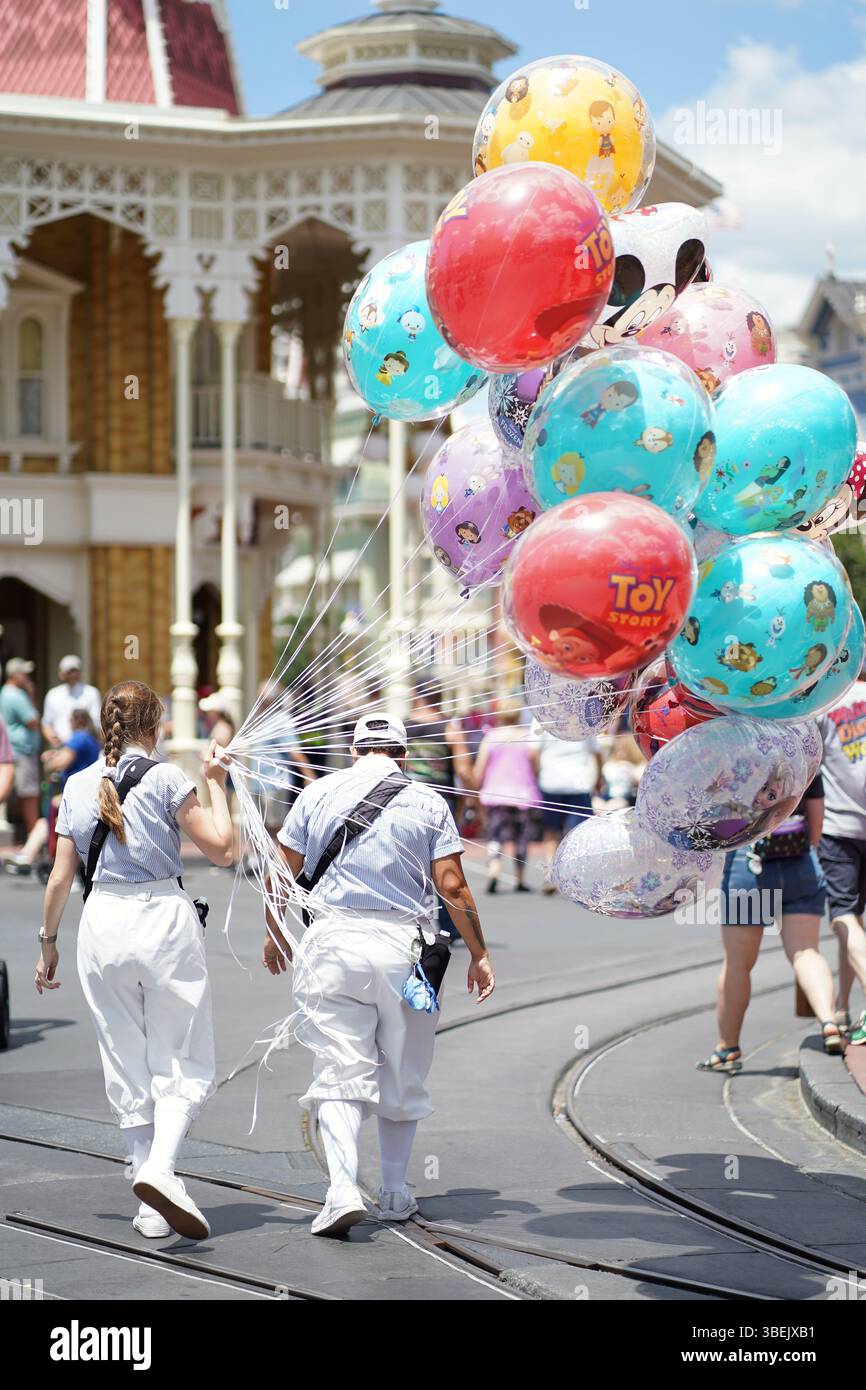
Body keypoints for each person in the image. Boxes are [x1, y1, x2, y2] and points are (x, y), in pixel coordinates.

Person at [262, 711, 495, 1238]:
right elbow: (453, 885)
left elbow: (281, 872)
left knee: (339, 1070)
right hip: (403, 950)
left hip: (331, 945)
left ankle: (341, 1188)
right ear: (402, 754)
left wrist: (274, 933)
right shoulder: (428, 800)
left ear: (353, 750)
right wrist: (478, 953)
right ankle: (393, 1190)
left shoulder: (316, 794)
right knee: (403, 1071)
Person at [35, 680, 234, 1241]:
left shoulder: (76, 786)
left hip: (101, 924)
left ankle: (149, 1203)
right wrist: (217, 784)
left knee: (124, 1056)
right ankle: (161, 1172)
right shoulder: (170, 778)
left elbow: (59, 876)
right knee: (183, 1053)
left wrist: (47, 942)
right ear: (156, 725)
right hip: (161, 920)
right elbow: (223, 848)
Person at [697, 772, 842, 1072]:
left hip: (748, 864)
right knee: (805, 951)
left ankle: (727, 1047)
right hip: (798, 857)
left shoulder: (731, 755)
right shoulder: (801, 751)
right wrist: (805, 850)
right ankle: (829, 1020)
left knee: (738, 963)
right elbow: (816, 817)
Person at [815, 677, 866, 1043]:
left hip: (839, 826)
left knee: (845, 917)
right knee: (854, 924)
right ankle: (843, 1006)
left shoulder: (822, 705)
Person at [474, 699, 542, 893]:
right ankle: (519, 878)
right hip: (523, 793)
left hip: (496, 794)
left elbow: (480, 766)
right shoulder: (526, 736)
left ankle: (494, 870)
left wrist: (476, 786)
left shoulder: (491, 737)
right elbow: (536, 764)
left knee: (496, 835)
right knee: (522, 836)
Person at [535, 726, 599, 895]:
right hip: (578, 781)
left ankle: (551, 874)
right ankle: (573, 875)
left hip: (551, 781)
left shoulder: (543, 716)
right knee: (577, 833)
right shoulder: (584, 719)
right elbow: (597, 751)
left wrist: (538, 774)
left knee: (551, 831)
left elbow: (532, 751)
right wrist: (599, 777)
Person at [0, 658, 42, 837]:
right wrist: (31, 693)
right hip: (21, 752)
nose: (27, 677)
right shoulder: (15, 694)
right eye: (24, 673)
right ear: (15, 675)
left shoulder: (6, 693)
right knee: (30, 795)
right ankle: (34, 837)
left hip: (15, 751)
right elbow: (33, 720)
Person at [42, 656, 101, 747]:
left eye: (74, 671)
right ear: (61, 673)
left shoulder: (91, 693)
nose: (72, 675)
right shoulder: (53, 694)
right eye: (69, 672)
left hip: (84, 746)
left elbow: (96, 722)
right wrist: (54, 740)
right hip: (60, 747)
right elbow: (46, 724)